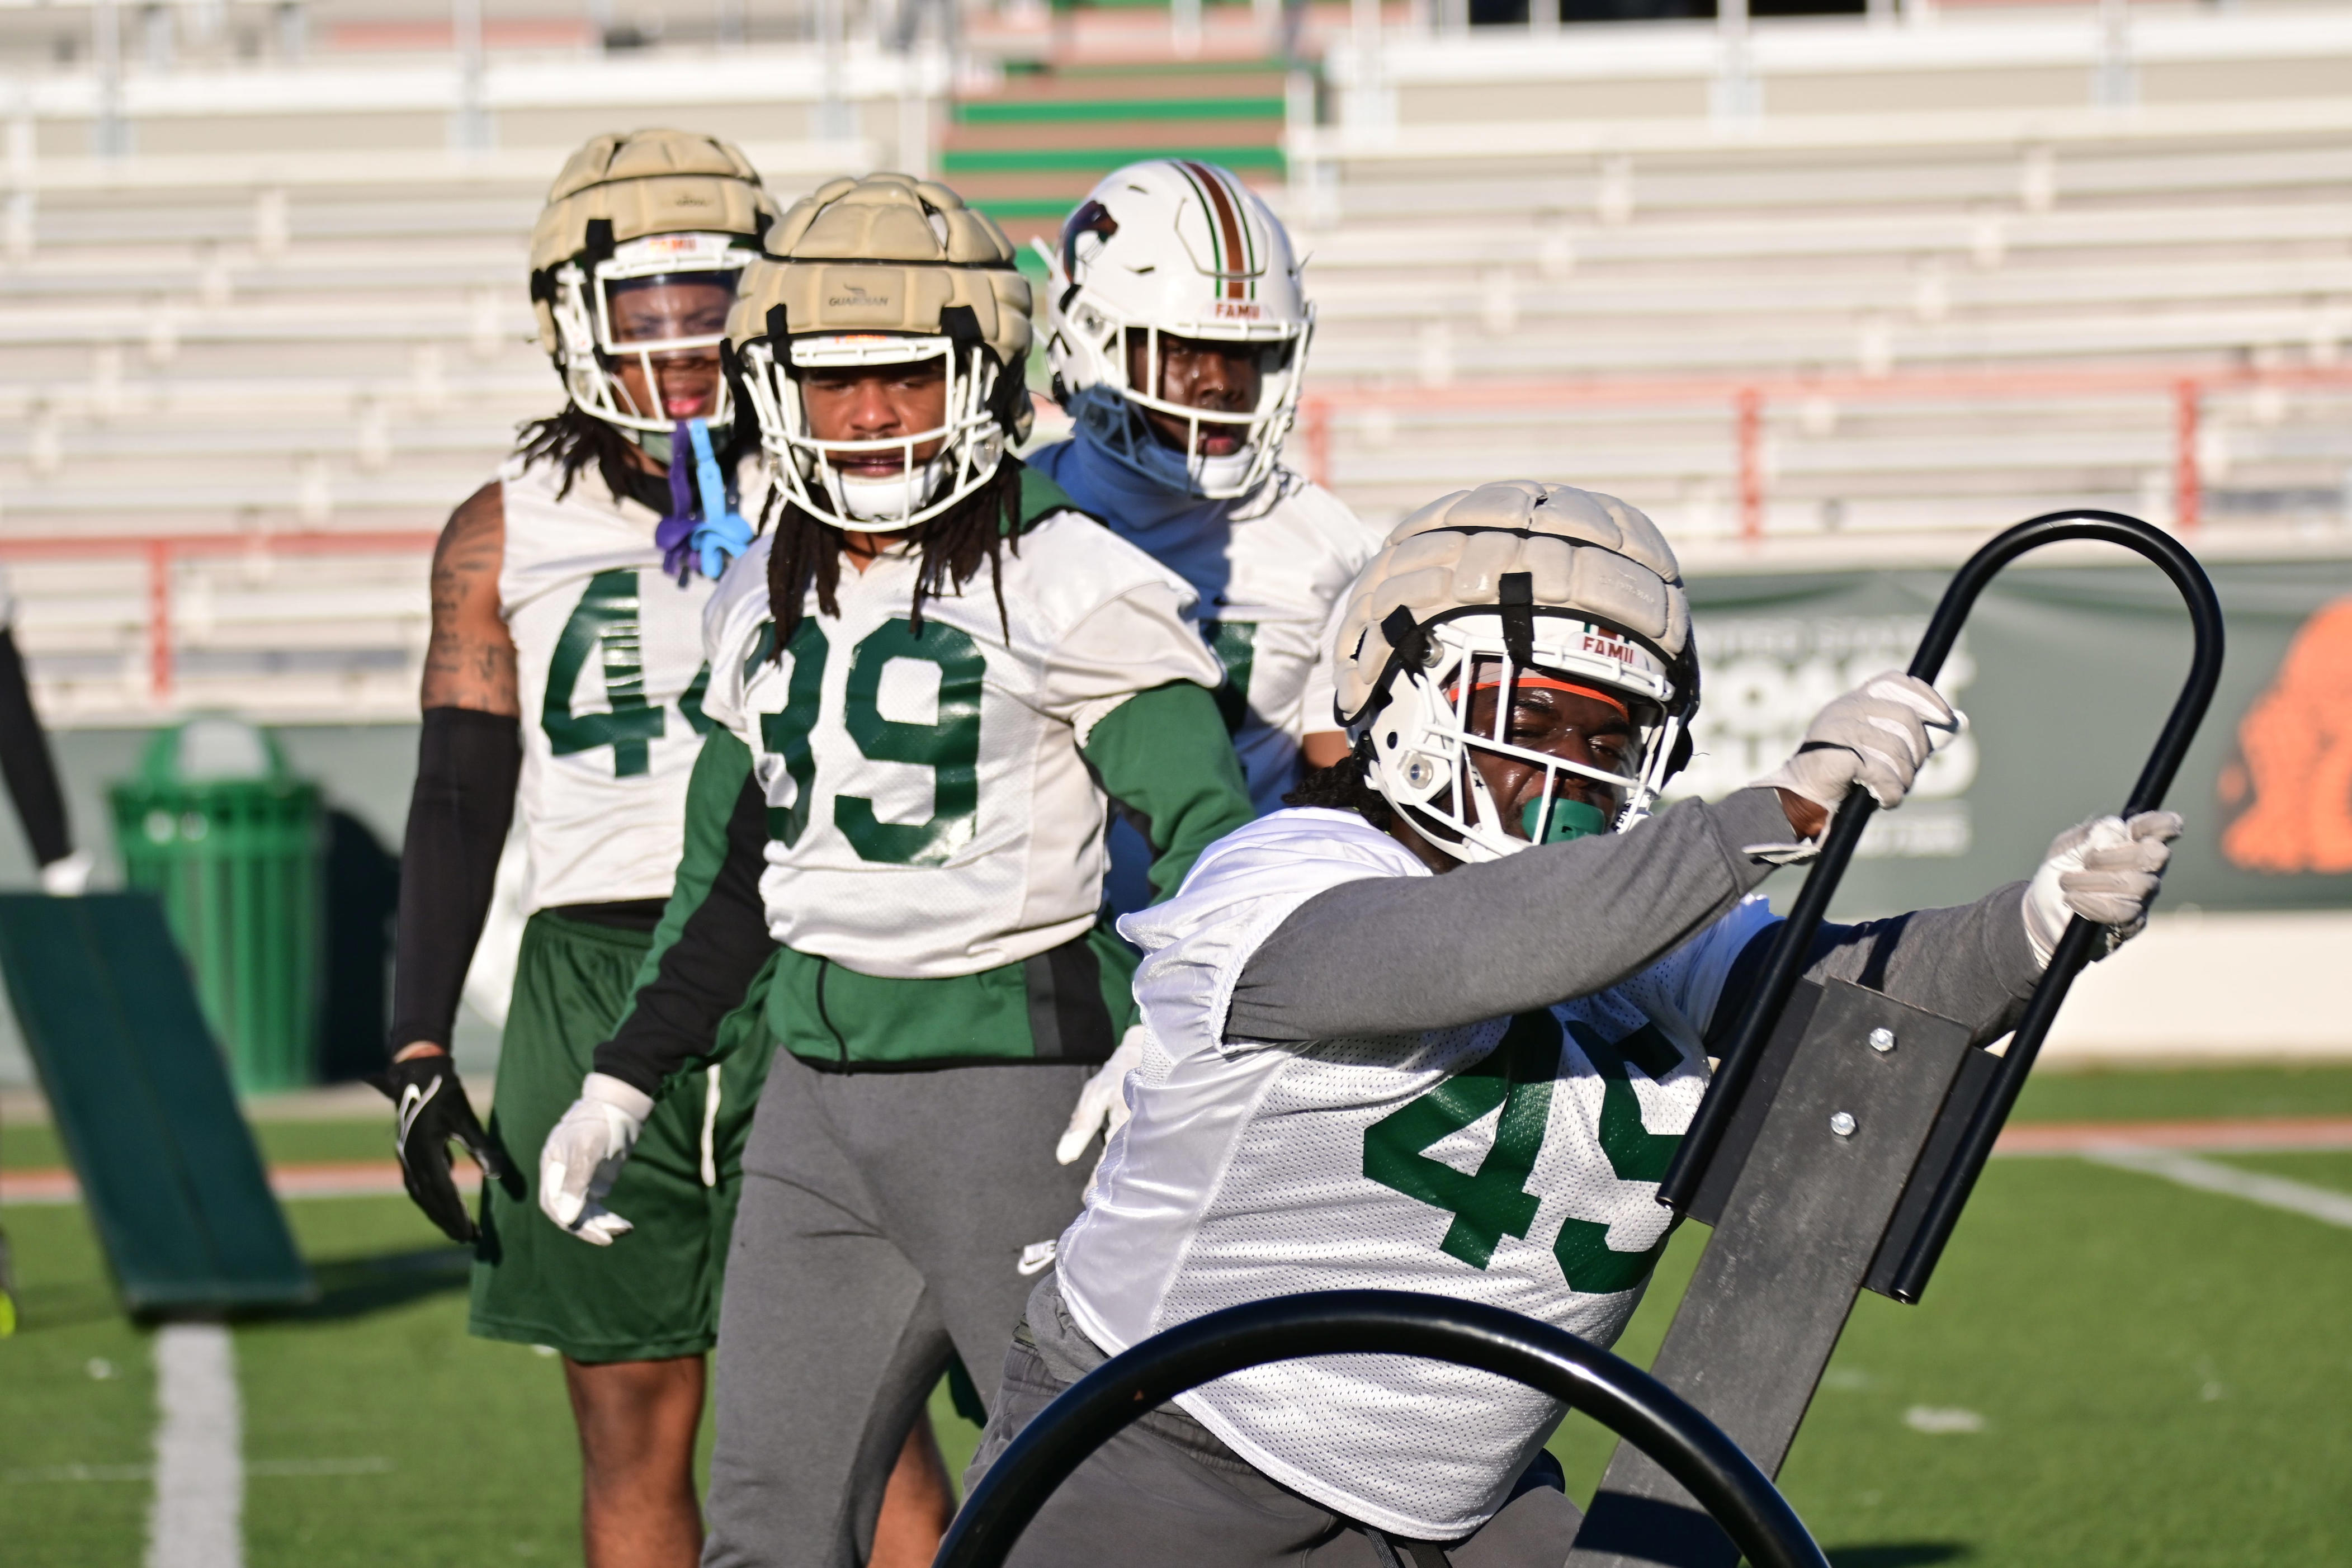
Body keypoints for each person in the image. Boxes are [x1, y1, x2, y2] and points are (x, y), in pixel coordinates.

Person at [965, 479, 2181, 1568]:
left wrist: (2028, 927)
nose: (1562, 769)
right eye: (1529, 717)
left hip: (1462, 1501)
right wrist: (1772, 810)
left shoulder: (1642, 913)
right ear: (1396, 697)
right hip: (1170, 1456)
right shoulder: (1281, 875)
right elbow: (1466, 947)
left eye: (1608, 739)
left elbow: (1846, 1010)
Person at [531, 173, 1259, 1568]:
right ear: (771, 385)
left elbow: (1217, 841)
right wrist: (626, 1079)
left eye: (908, 379)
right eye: (836, 382)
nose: (871, 417)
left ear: (985, 379)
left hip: (1023, 1087)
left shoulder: (1072, 579)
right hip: (812, 1108)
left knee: (1099, 1512)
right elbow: (733, 877)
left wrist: (1176, 1039)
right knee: (768, 1524)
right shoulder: (759, 593)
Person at [372, 133, 947, 1568]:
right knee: (633, 1423)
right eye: (649, 306)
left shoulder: (845, 482)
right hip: (593, 976)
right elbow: (457, 796)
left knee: (871, 1423)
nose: (685, 342)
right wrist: (418, 1045)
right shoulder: (502, 529)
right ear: (574, 311)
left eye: (713, 299)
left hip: (808, 959)